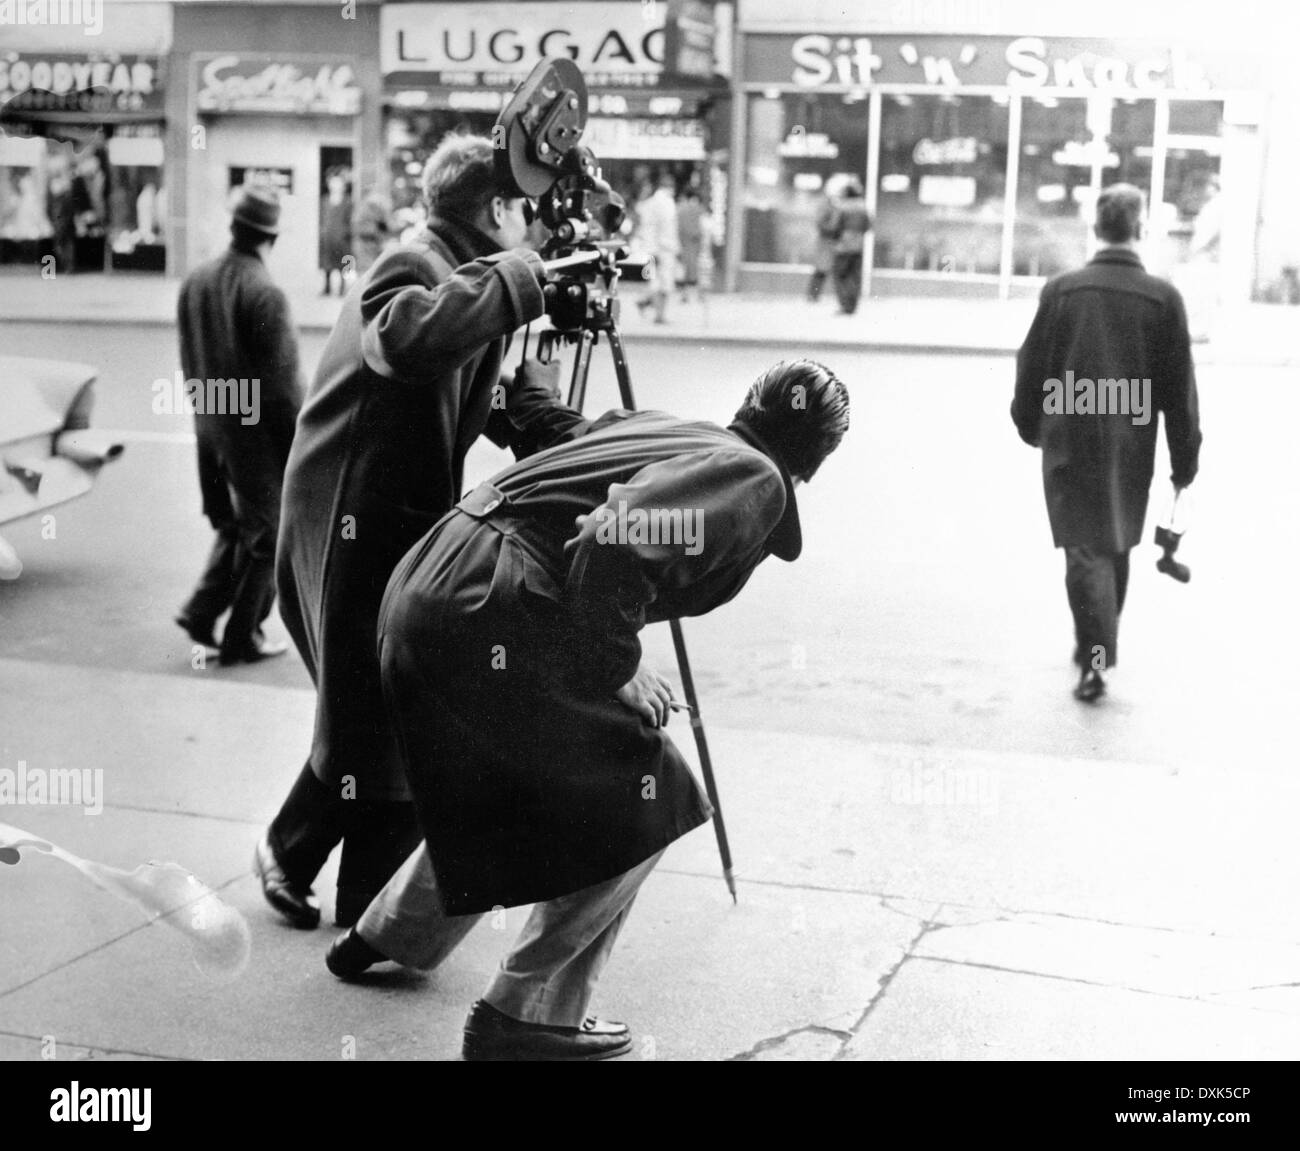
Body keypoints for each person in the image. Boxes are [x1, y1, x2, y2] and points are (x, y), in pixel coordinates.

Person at [323, 359, 851, 1061]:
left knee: (529, 764)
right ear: (821, 453)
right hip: (492, 602)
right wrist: (619, 667)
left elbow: (556, 433)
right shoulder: (752, 477)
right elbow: (612, 538)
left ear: (750, 403)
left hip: (428, 587)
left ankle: (393, 932)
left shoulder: (668, 429)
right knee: (647, 788)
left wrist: (528, 380)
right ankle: (526, 1014)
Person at [256, 133, 567, 933]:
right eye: (524, 208)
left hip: (389, 518)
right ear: (495, 208)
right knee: (380, 707)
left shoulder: (459, 273)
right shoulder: (416, 262)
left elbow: (456, 380)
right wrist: (515, 280)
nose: (531, 224)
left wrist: (539, 416)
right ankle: (348, 893)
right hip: (349, 518)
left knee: (382, 708)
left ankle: (317, 870)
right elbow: (402, 341)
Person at [1011, 183, 1203, 702]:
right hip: (1129, 442)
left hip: (1070, 435)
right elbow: (1179, 391)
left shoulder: (1062, 291)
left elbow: (1031, 366)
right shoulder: (1162, 298)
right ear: (1139, 230)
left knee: (1088, 547)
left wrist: (1030, 424)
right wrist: (1184, 463)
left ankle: (1095, 654)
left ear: (1097, 230)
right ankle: (1097, 648)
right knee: (1110, 543)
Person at [175, 185, 303, 666]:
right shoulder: (265, 292)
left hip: (209, 424)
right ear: (272, 237)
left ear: (234, 227)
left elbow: (190, 361)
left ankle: (201, 612)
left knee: (234, 526)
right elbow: (283, 391)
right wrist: (300, 449)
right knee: (269, 536)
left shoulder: (198, 280)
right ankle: (242, 637)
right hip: (252, 436)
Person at [634, 173, 679, 324]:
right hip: (663, 248)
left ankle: (647, 303)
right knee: (665, 283)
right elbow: (664, 228)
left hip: (651, 248)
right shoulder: (666, 203)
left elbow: (644, 220)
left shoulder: (651, 202)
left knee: (656, 282)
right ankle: (659, 315)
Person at [830, 179, 871, 314]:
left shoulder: (842, 206)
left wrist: (837, 237)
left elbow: (835, 226)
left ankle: (845, 306)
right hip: (858, 246)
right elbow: (868, 225)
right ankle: (852, 306)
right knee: (854, 276)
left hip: (843, 246)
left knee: (840, 275)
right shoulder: (863, 206)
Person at [319, 169, 353, 295]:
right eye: (332, 183)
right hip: (328, 236)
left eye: (338, 183)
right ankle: (327, 287)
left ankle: (342, 288)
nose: (335, 186)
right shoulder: (325, 200)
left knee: (343, 262)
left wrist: (346, 232)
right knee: (326, 262)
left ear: (343, 186)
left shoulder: (347, 201)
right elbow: (322, 217)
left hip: (342, 237)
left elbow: (350, 219)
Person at [807, 183, 841, 303]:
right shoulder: (826, 207)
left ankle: (815, 295)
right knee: (822, 269)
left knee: (829, 269)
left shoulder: (834, 207)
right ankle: (813, 295)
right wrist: (834, 227)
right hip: (826, 242)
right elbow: (821, 224)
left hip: (832, 242)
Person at [675, 187, 704, 303]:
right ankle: (697, 295)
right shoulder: (698, 209)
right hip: (693, 244)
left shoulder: (680, 209)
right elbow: (700, 228)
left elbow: (678, 227)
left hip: (683, 243)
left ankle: (686, 295)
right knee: (694, 271)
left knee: (686, 271)